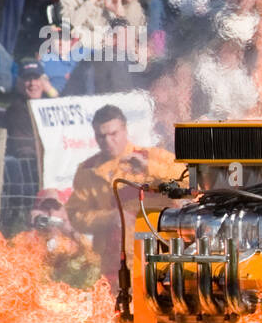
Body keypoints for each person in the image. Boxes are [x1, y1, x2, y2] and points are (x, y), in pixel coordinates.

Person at [66, 104, 182, 274]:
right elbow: (77, 215)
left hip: (159, 254)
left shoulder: (152, 157)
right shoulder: (87, 171)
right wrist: (110, 217)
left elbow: (188, 181)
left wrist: (149, 168)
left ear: (125, 130)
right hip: (115, 263)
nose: (107, 141)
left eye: (113, 134)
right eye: (101, 136)